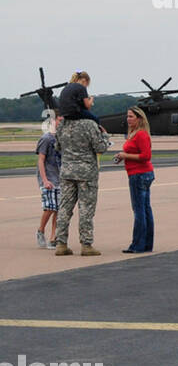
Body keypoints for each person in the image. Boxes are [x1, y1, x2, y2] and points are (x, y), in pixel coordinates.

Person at [53, 108, 112, 256]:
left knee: (64, 208)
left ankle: (61, 243)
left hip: (67, 171)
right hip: (86, 172)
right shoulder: (89, 124)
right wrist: (105, 135)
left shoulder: (62, 124)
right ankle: (86, 244)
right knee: (86, 209)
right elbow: (100, 147)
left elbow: (57, 147)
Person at [114, 106, 155, 253]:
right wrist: (123, 156)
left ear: (139, 118)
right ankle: (146, 244)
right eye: (127, 116)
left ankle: (138, 245)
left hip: (139, 174)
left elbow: (146, 156)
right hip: (139, 173)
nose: (128, 119)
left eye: (131, 116)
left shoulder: (141, 135)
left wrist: (125, 156)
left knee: (139, 210)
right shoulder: (134, 134)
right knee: (145, 209)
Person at [36, 114, 62, 249]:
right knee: (50, 207)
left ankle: (53, 237)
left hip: (60, 178)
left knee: (59, 209)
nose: (61, 123)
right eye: (59, 120)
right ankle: (40, 231)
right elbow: (41, 159)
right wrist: (44, 180)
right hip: (48, 177)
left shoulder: (62, 138)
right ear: (53, 120)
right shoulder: (46, 138)